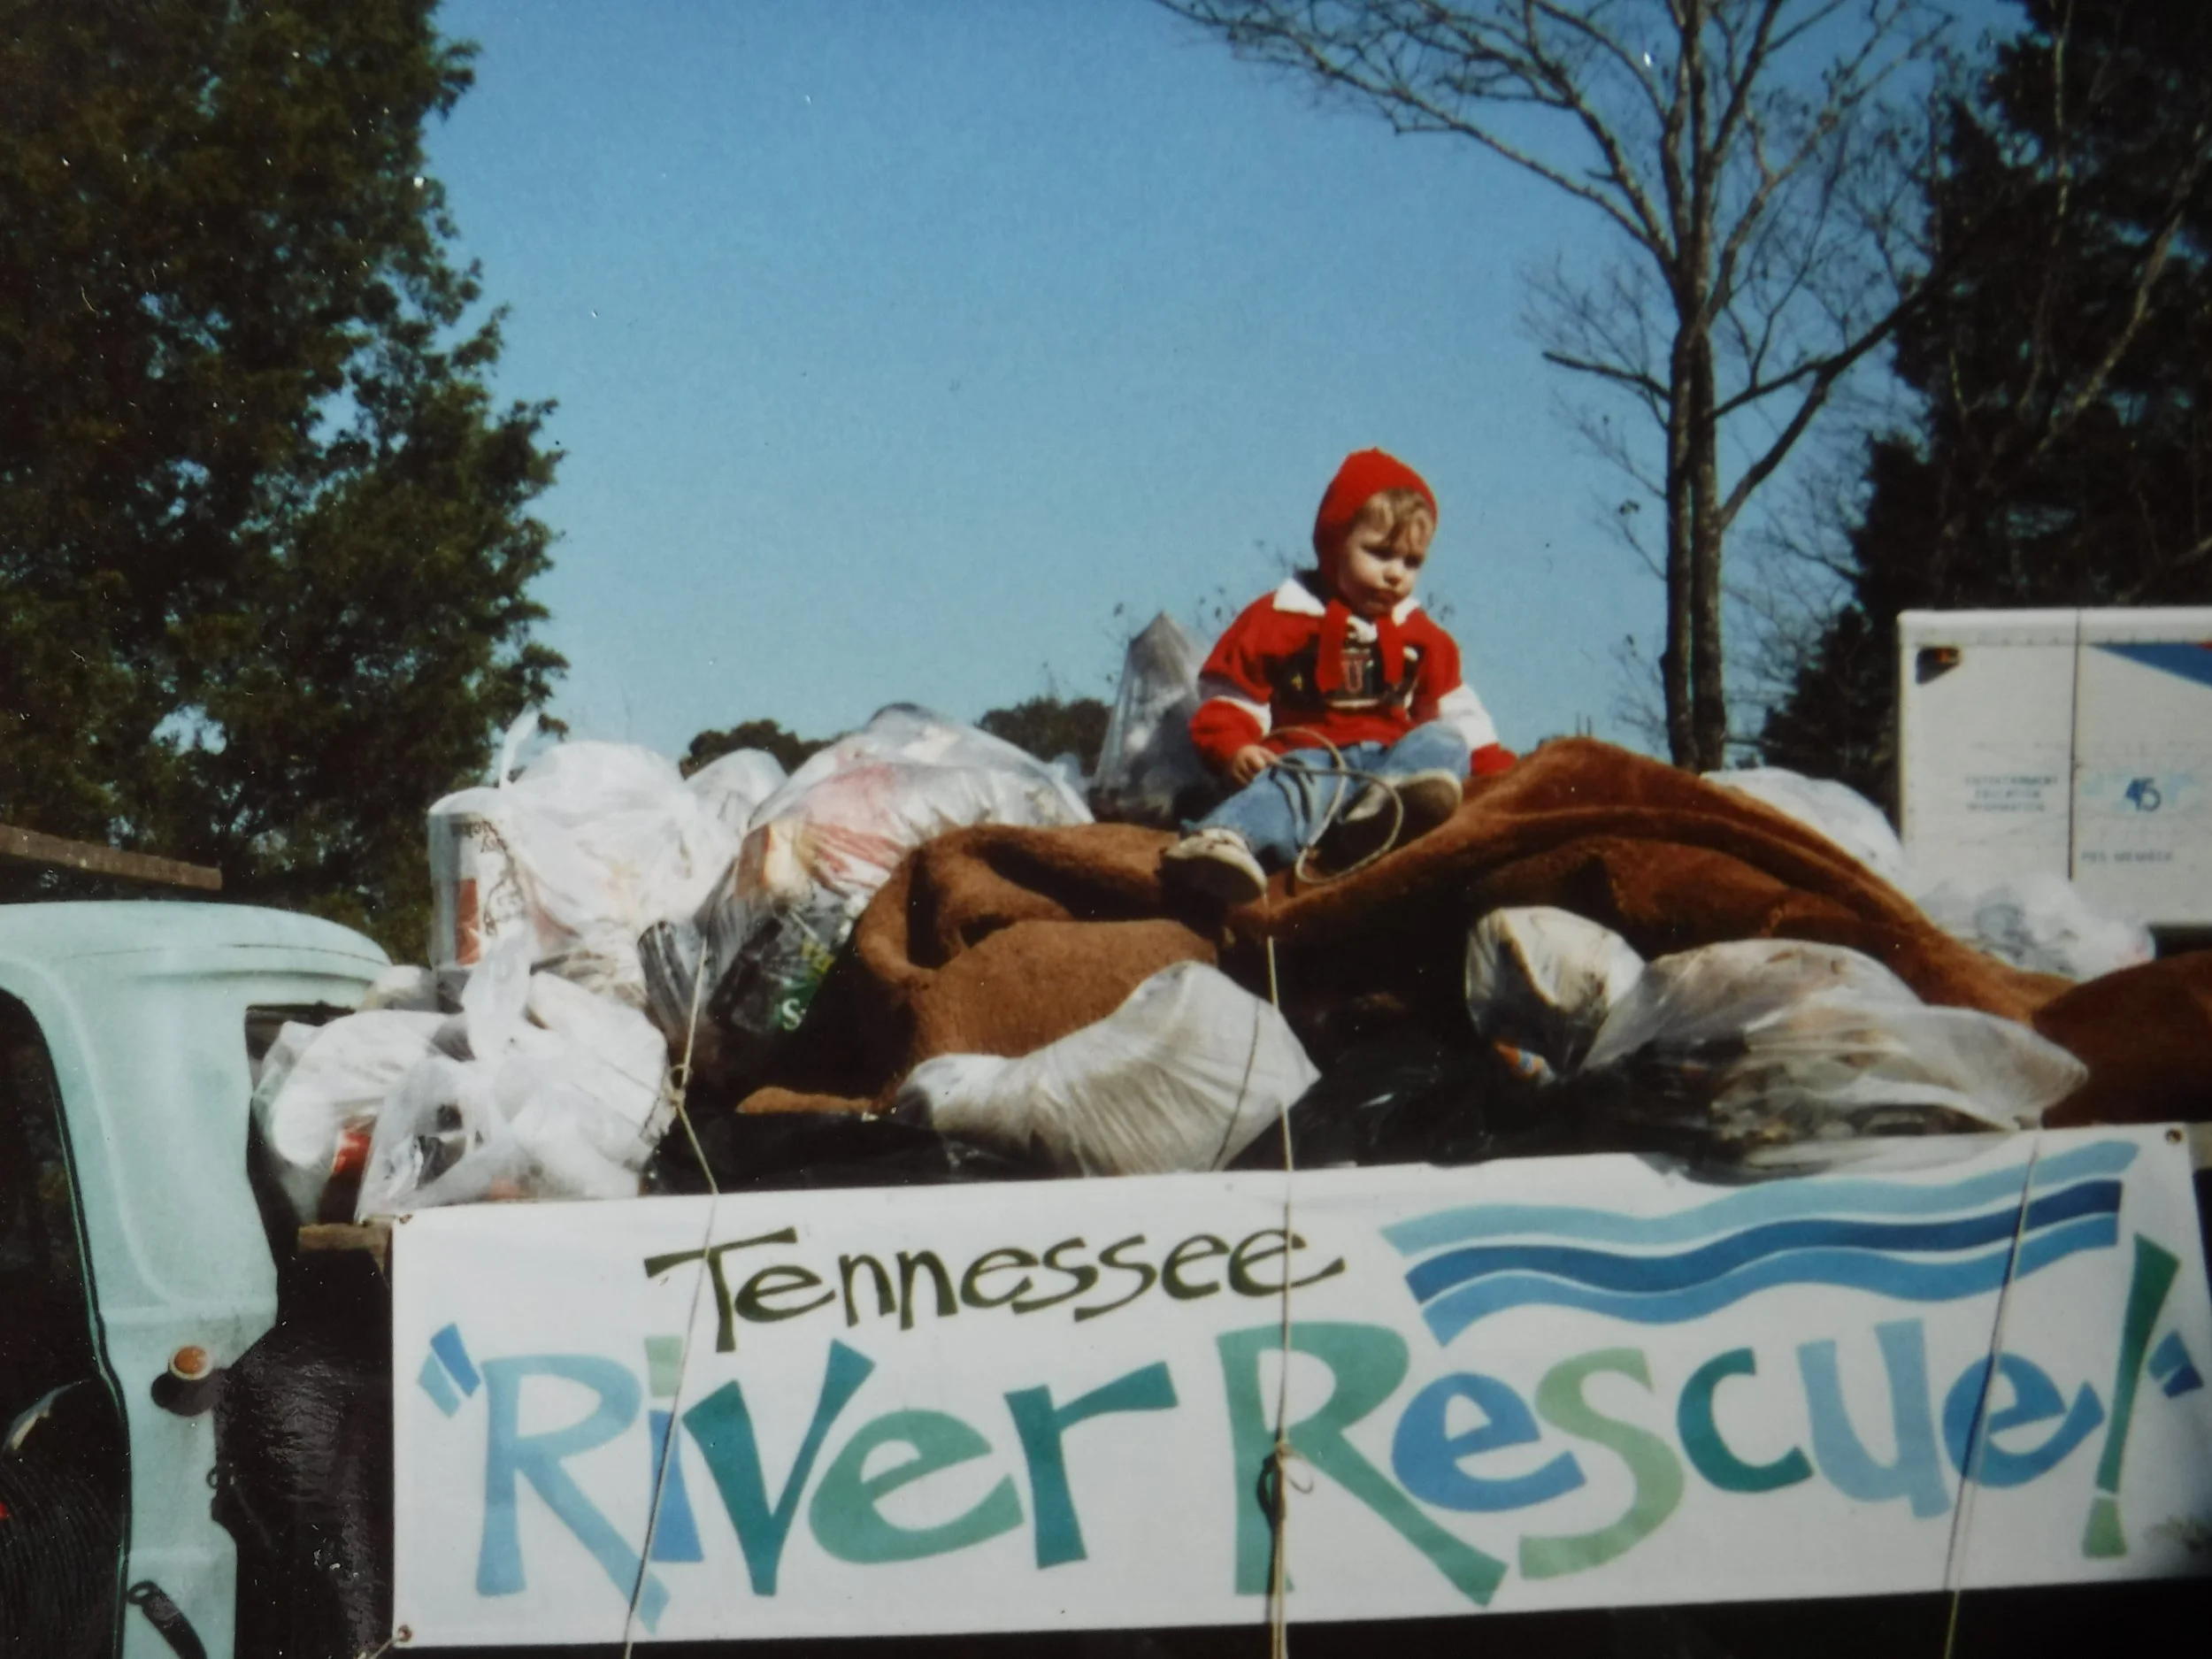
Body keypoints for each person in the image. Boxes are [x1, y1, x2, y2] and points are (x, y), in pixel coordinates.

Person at [1160, 448, 1514, 904]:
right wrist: (1235, 747)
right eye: (1380, 553)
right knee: (1294, 785)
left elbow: (1458, 711)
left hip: (1389, 765)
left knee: (1445, 743)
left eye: (1411, 563)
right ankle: (1227, 839)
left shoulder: (1420, 636)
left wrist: (1503, 773)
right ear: (1334, 542)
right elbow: (1233, 693)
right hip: (1313, 753)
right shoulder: (1282, 619)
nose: (1394, 575)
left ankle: (1383, 812)